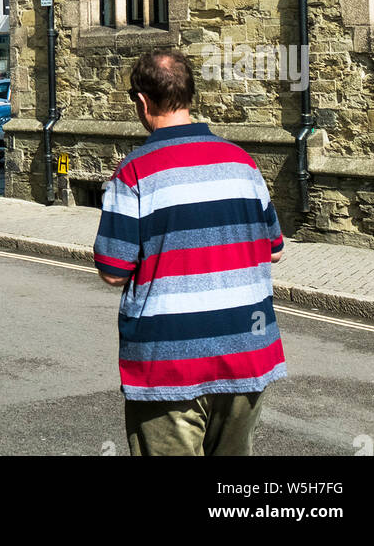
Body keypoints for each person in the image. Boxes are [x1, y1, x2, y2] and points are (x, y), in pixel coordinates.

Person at [93, 48, 286, 458]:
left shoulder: (134, 172)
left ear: (142, 102)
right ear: (190, 96)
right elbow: (274, 250)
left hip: (169, 361)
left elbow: (113, 268)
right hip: (247, 351)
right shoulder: (244, 164)